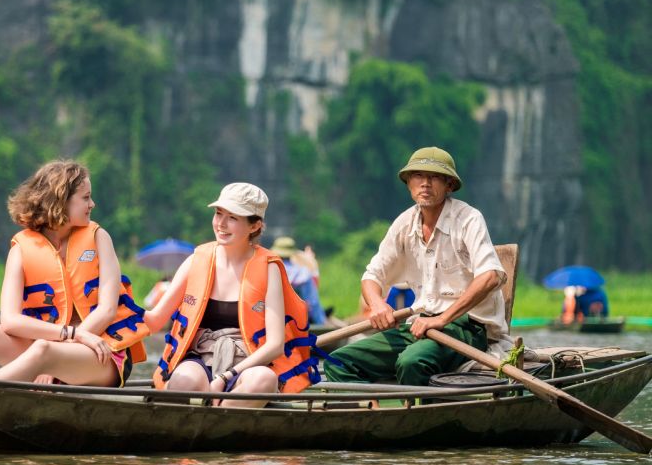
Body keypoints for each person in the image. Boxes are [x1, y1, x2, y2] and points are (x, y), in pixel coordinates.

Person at [0, 160, 148, 386]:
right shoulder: (21, 249)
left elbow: (107, 310)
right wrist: (69, 336)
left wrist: (57, 355)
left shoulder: (99, 238)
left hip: (103, 355)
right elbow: (10, 321)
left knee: (43, 349)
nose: (93, 204)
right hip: (48, 351)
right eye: (85, 197)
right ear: (60, 201)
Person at [324, 146, 513, 386]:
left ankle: (422, 418)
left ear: (449, 186)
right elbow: (372, 275)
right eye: (418, 176)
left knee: (411, 362)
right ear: (408, 184)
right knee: (337, 362)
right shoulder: (404, 223)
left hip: (467, 328)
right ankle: (370, 413)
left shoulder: (468, 219)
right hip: (420, 325)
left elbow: (490, 277)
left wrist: (442, 319)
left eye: (434, 177)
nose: (425, 183)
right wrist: (378, 304)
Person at [143, 182, 320, 408]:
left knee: (265, 379)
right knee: (183, 379)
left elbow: (275, 345)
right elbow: (155, 319)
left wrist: (225, 377)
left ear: (255, 226)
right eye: (218, 214)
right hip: (201, 355)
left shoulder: (269, 268)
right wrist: (113, 309)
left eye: (233, 218)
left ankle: (221, 425)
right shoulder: (198, 260)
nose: (221, 224)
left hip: (248, 362)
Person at [270, 236, 327, 326]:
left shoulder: (268, 271)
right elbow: (313, 302)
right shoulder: (303, 273)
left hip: (273, 321)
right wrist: (321, 323)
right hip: (299, 322)